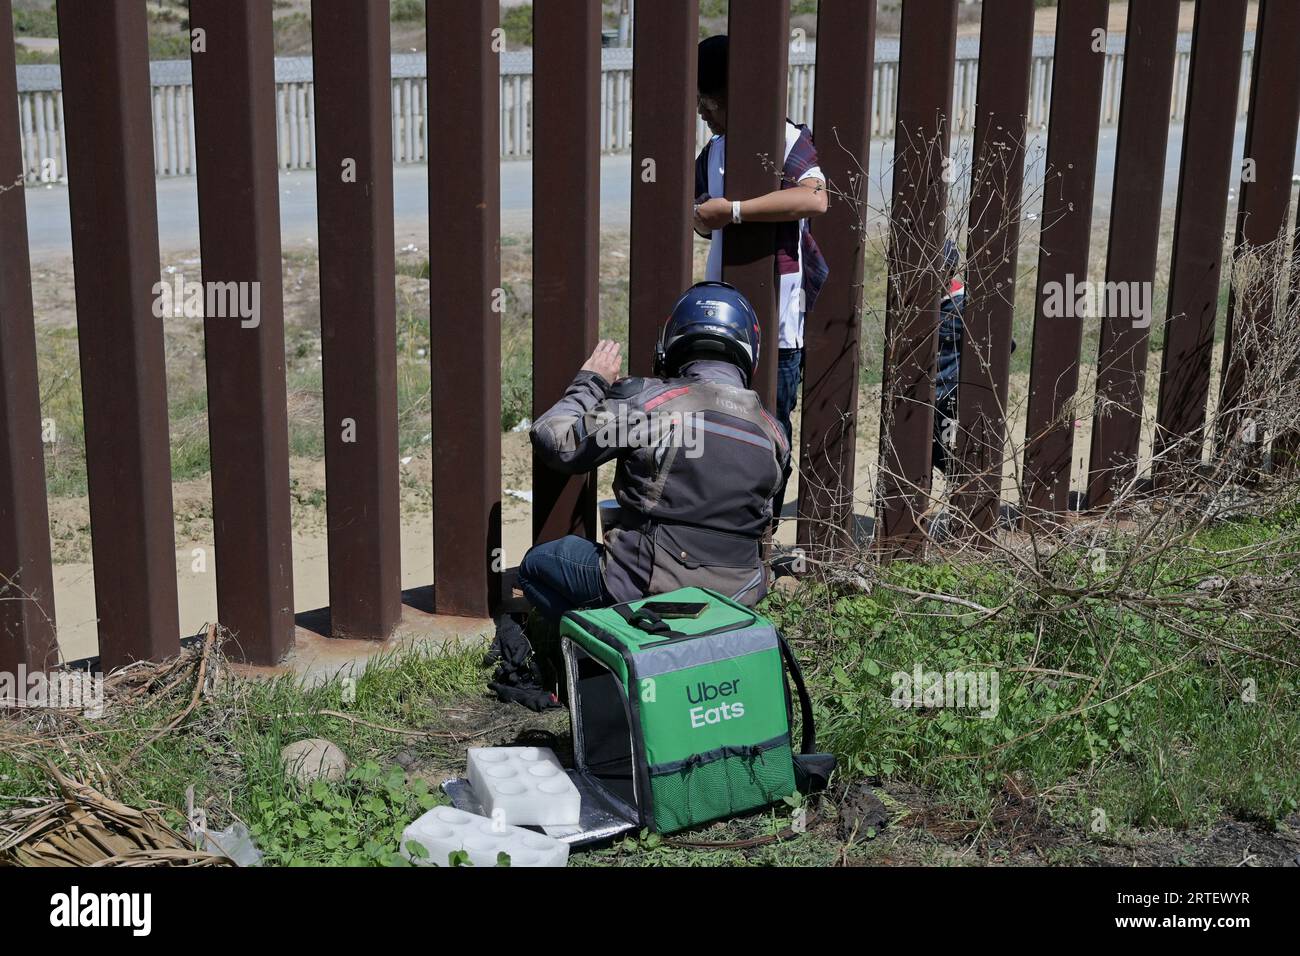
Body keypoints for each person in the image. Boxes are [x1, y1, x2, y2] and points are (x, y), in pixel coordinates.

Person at [487, 283, 791, 710]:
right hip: (735, 601)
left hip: (651, 590)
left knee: (537, 566)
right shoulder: (774, 433)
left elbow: (554, 439)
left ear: (673, 343)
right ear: (747, 351)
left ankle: (601, 658)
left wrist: (590, 382)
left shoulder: (649, 402)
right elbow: (764, 522)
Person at [692, 34, 830, 459]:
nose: (702, 112)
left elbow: (814, 197)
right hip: (723, 318)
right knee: (724, 431)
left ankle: (764, 521)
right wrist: (703, 218)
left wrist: (733, 211)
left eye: (707, 103)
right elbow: (701, 216)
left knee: (772, 431)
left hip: (779, 320)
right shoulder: (713, 150)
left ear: (731, 95)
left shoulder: (786, 140)